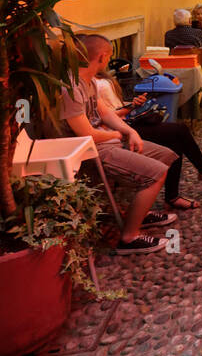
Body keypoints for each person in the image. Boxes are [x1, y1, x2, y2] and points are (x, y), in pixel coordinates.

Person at [59, 35, 178, 254]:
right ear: (103, 57)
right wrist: (116, 135)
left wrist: (129, 131)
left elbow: (104, 112)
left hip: (106, 141)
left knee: (165, 155)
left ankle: (140, 212)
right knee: (157, 173)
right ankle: (129, 238)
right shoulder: (71, 87)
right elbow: (86, 134)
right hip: (90, 151)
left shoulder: (90, 80)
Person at [93, 75, 202, 210]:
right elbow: (101, 117)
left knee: (176, 136)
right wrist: (127, 109)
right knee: (178, 131)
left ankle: (176, 194)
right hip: (118, 129)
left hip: (125, 122)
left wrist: (132, 105)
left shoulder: (97, 77)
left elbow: (111, 108)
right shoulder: (87, 82)